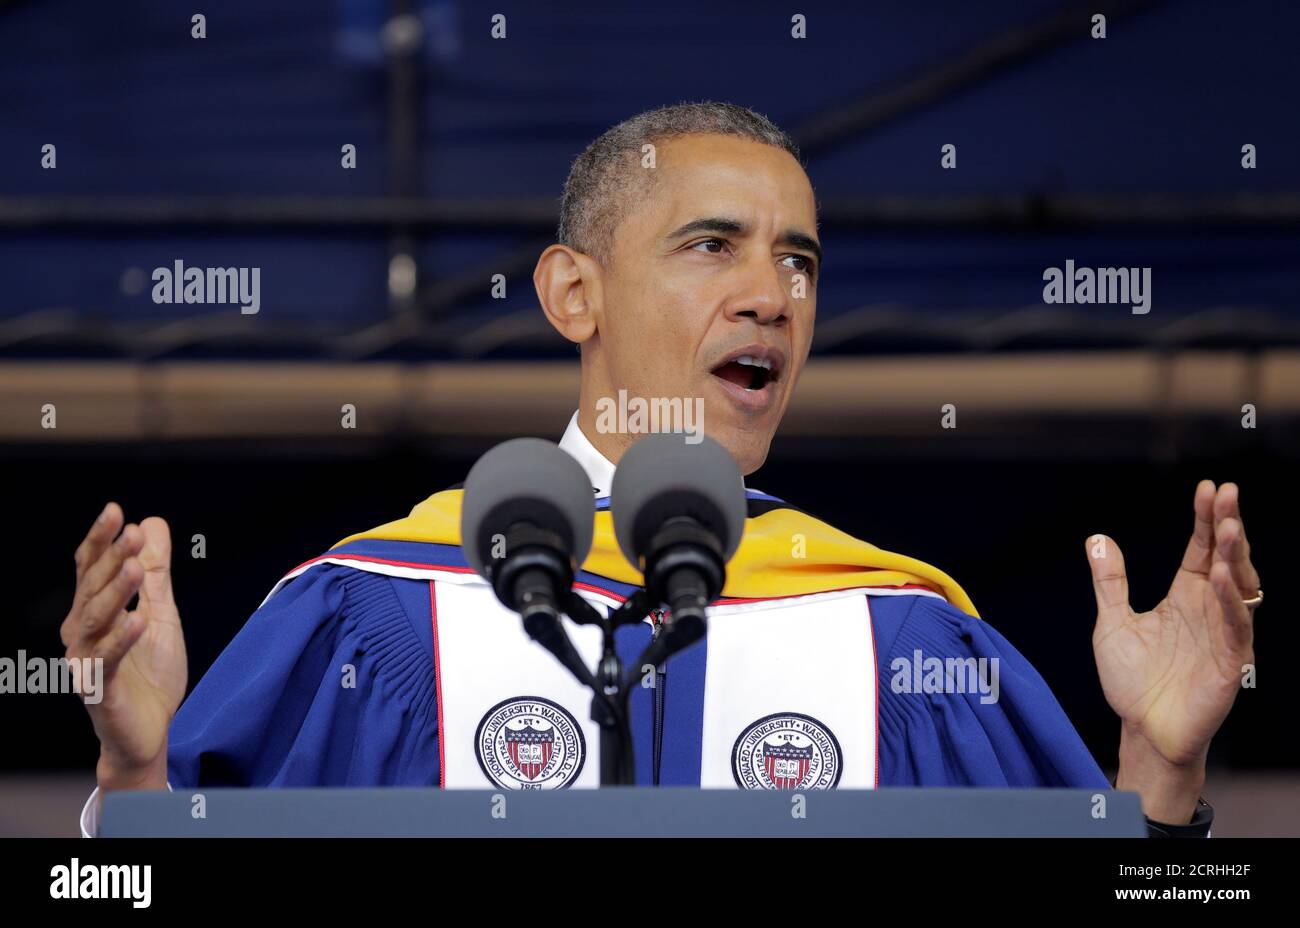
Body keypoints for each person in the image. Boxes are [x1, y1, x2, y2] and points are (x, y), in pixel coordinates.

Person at [65, 103, 1260, 836]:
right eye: (712, 245)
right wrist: (133, 771)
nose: (770, 294)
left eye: (799, 260)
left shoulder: (896, 635)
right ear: (571, 293)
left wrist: (1159, 772)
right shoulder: (380, 609)